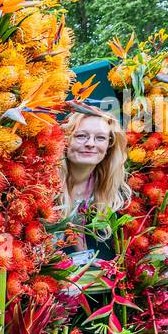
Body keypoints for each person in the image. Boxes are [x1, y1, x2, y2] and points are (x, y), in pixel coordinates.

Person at [59, 110, 131, 262]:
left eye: (100, 138)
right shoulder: (42, 184)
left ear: (108, 147)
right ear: (65, 141)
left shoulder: (115, 193)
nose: (90, 143)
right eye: (81, 136)